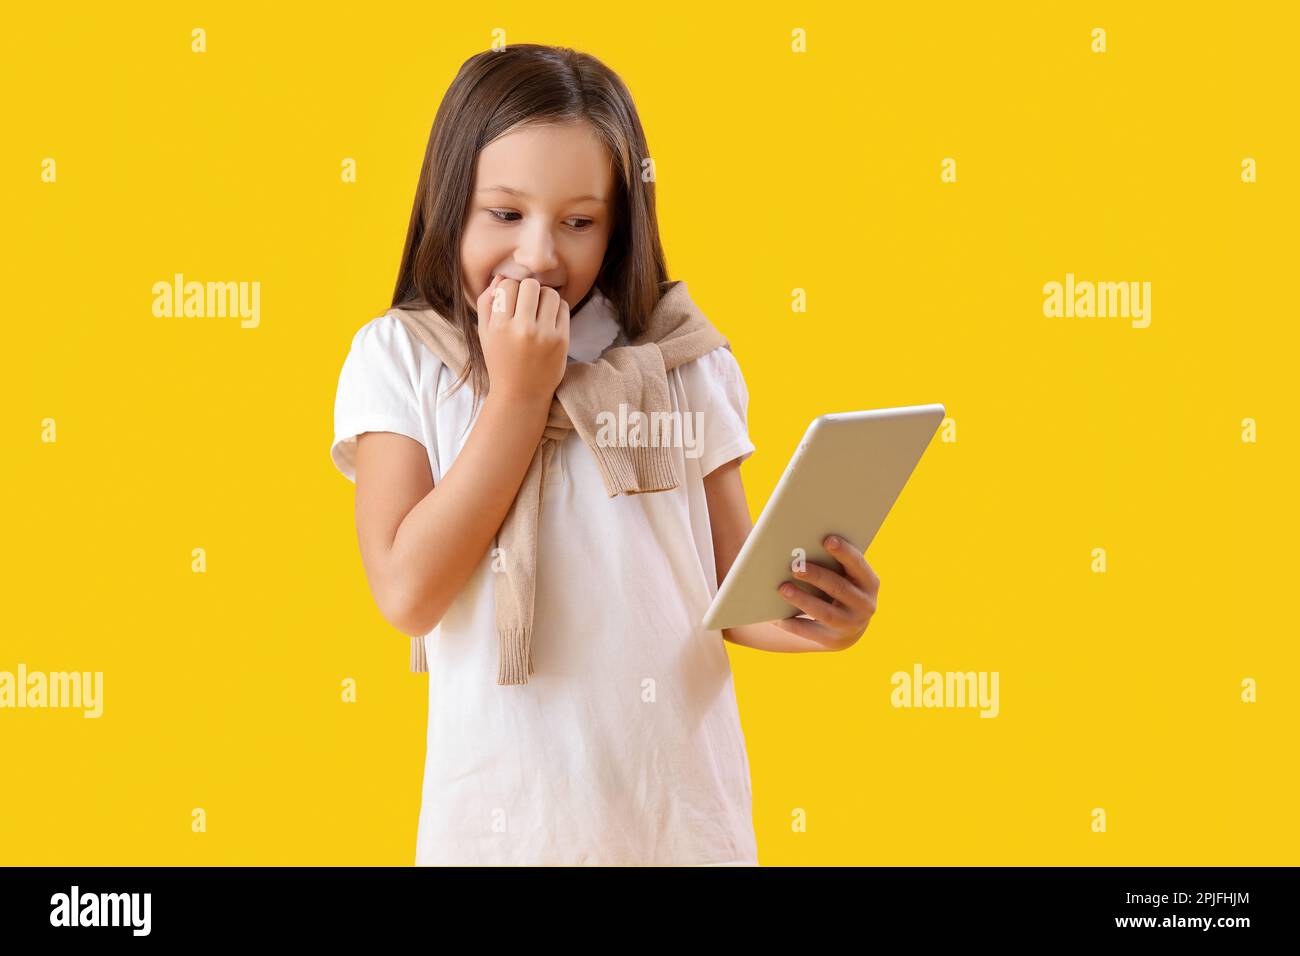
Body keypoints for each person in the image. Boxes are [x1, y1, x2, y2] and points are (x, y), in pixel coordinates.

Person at [329, 43, 880, 866]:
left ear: (620, 226)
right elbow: (408, 591)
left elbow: (734, 591)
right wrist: (518, 396)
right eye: (506, 215)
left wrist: (821, 618)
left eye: (579, 222)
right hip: (500, 831)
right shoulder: (405, 357)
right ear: (450, 206)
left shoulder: (681, 359)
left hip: (683, 826)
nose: (542, 254)